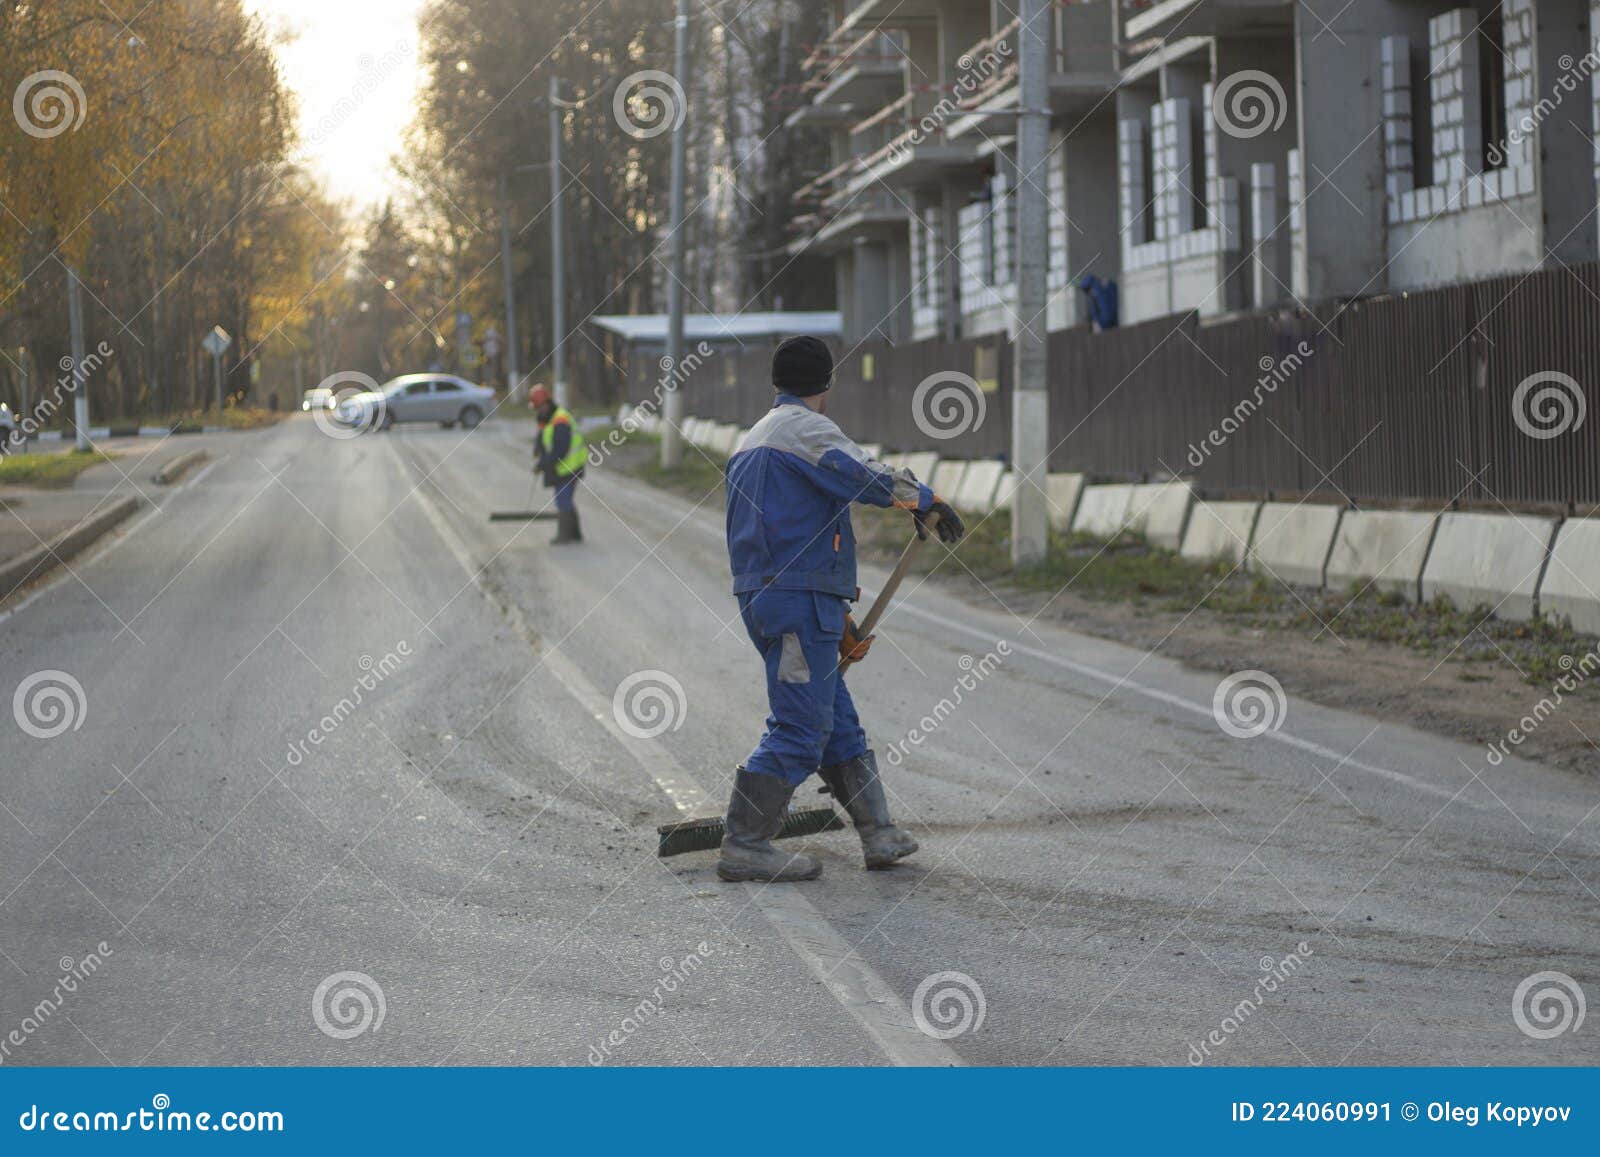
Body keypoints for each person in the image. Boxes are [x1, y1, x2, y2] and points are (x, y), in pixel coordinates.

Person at [717, 335, 966, 883]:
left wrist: (827, 610)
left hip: (778, 596)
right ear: (826, 384)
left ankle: (879, 834)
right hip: (795, 599)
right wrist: (926, 499)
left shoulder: (750, 439)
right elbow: (864, 474)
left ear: (776, 382)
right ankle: (745, 843)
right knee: (801, 725)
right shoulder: (806, 430)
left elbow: (775, 528)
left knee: (835, 723)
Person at [529, 384, 586, 544]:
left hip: (571, 466)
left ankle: (565, 535)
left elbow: (559, 451)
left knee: (562, 498)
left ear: (545, 405)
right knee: (565, 498)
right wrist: (538, 448)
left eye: (538, 408)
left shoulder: (560, 420)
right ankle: (575, 533)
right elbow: (543, 435)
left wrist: (542, 465)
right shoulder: (547, 417)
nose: (536, 411)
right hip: (564, 466)